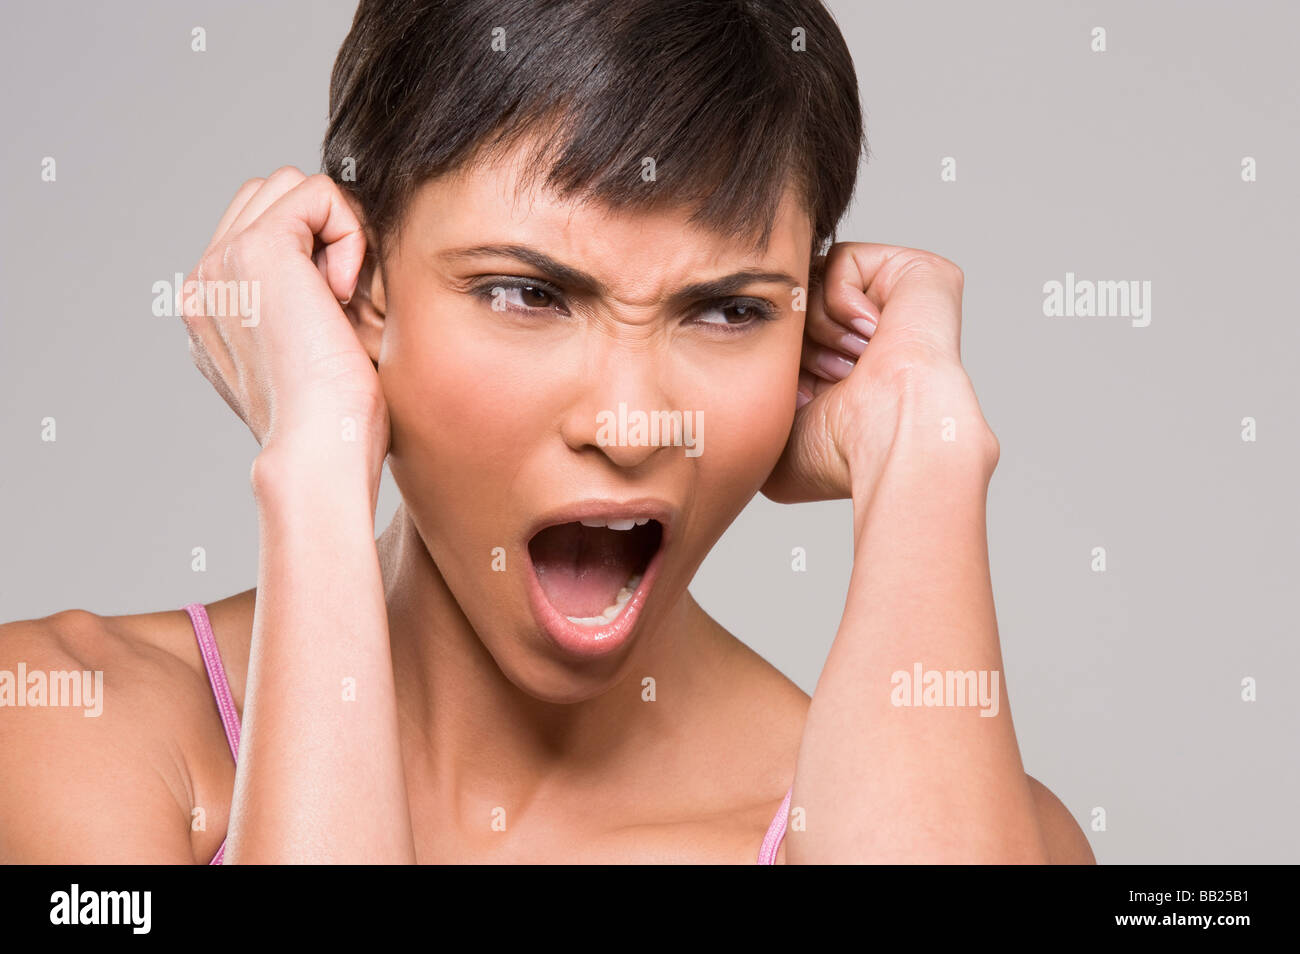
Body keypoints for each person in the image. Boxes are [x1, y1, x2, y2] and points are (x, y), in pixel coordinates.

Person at [0, 0, 1094, 864]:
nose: (627, 421)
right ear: (359, 288)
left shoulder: (990, 835)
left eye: (729, 310)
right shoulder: (69, 732)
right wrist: (315, 463)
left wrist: (924, 452)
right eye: (527, 293)